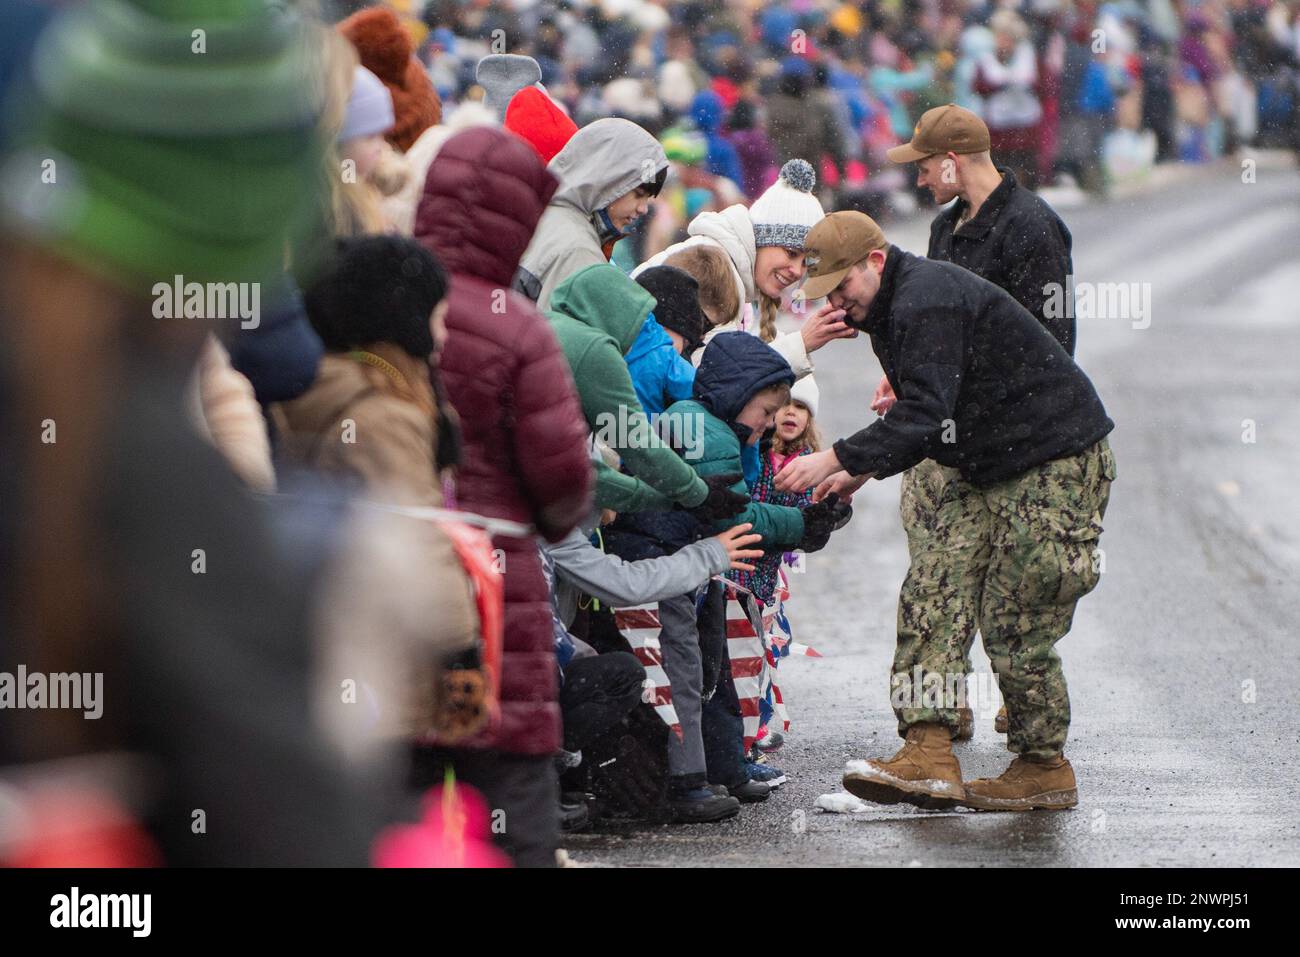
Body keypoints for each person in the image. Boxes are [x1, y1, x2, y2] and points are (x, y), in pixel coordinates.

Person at [777, 212, 1115, 812]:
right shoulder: (888, 305)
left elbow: (926, 413)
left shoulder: (924, 298)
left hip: (1052, 459)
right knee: (933, 591)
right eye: (825, 292)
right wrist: (860, 471)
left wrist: (835, 458)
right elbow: (931, 416)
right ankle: (927, 750)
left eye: (842, 286)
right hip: (982, 460)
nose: (836, 302)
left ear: (875, 261)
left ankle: (1043, 766)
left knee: (1016, 616)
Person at [414, 126, 595, 866]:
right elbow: (562, 484)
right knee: (510, 787)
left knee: (403, 782)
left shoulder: (378, 303)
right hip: (494, 589)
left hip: (390, 576)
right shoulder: (516, 327)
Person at [884, 102, 1077, 739]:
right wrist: (907, 374)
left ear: (952, 162)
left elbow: (1052, 346)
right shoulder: (945, 228)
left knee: (1014, 579)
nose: (918, 179)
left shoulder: (1033, 227)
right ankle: (945, 704)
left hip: (1014, 441)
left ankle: (1022, 702)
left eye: (923, 166)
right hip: (946, 434)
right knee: (938, 574)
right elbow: (930, 320)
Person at [665, 332, 852, 798]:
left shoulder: (724, 429)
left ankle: (726, 766)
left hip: (711, 574)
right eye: (767, 411)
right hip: (697, 572)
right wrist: (803, 524)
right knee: (707, 674)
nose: (771, 422)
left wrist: (815, 515)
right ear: (737, 394)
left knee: (722, 674)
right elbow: (737, 516)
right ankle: (700, 776)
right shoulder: (708, 431)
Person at [515, 117, 670, 309]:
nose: (643, 208)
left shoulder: (546, 216)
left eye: (648, 198)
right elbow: (555, 326)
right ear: (607, 181)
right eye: (638, 194)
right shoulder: (578, 250)